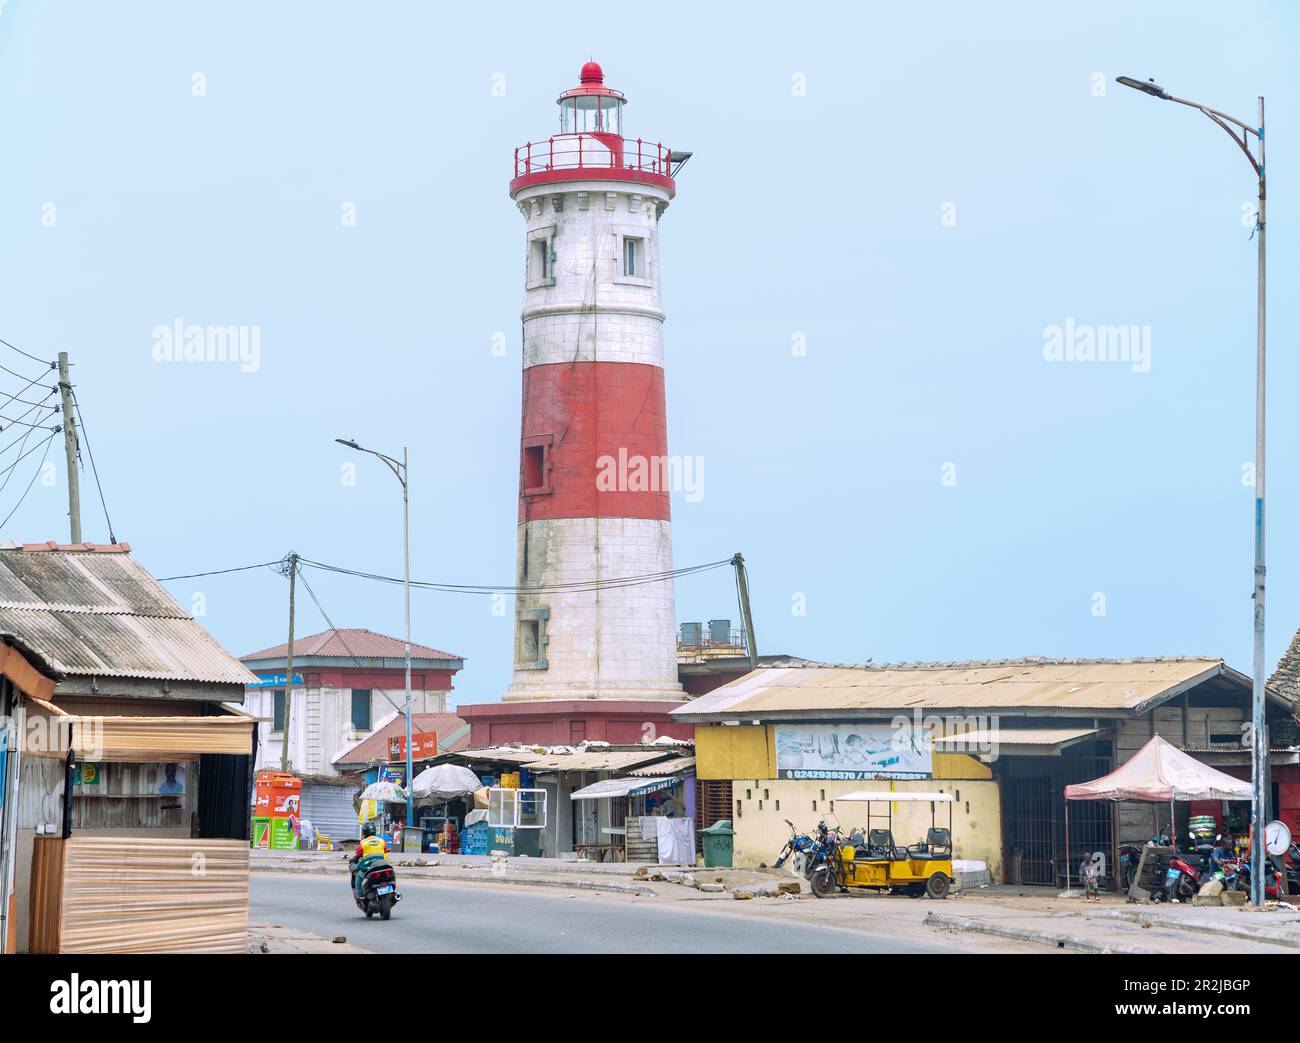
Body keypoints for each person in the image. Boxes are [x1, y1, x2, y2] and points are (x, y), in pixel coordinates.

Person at [352, 823, 388, 900]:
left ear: (364, 832)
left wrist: (355, 859)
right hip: (383, 865)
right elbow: (385, 850)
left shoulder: (363, 843)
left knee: (358, 876)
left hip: (370, 867)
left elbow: (358, 854)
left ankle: (359, 895)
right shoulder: (382, 841)